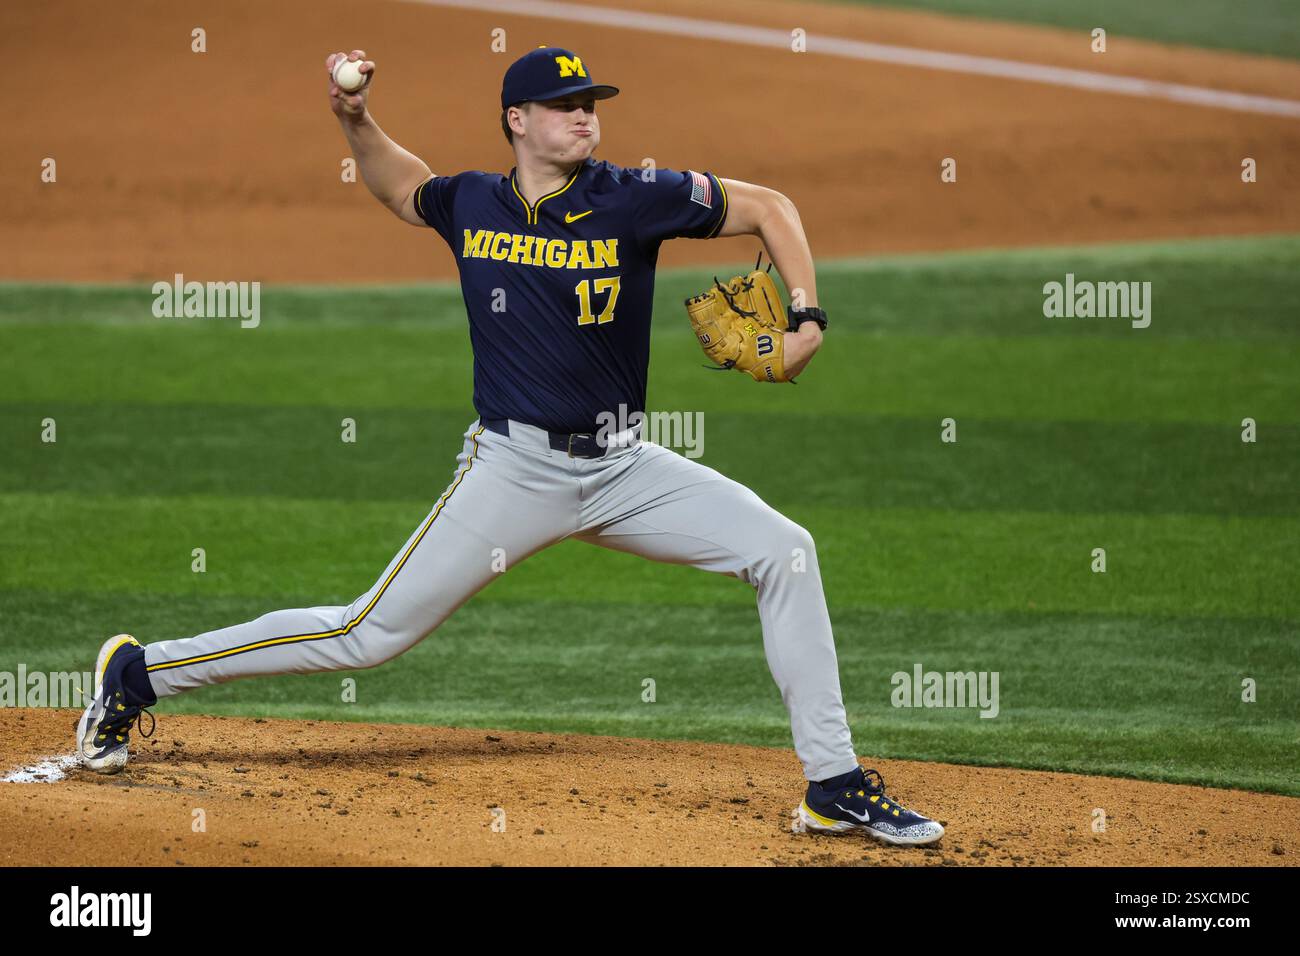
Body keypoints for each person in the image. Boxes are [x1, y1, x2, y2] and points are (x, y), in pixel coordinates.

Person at [76, 46, 944, 847]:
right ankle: (141, 674)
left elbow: (769, 207)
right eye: (562, 105)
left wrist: (806, 317)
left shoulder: (633, 195)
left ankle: (832, 783)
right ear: (516, 120)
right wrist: (354, 120)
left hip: (624, 467)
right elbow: (400, 187)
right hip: (513, 471)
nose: (584, 117)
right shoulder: (474, 204)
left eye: (590, 104)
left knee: (784, 551)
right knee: (366, 635)